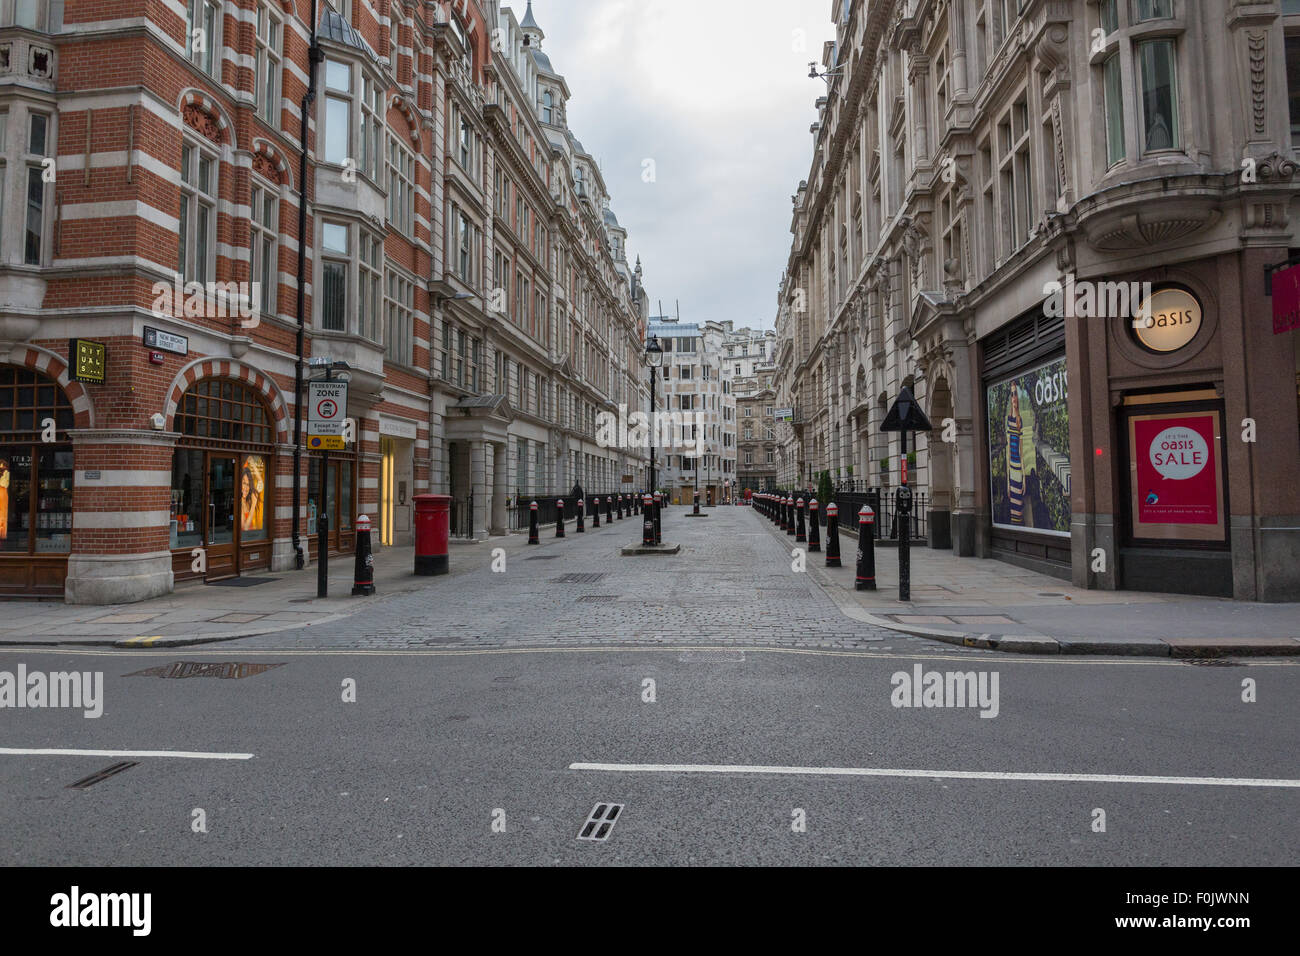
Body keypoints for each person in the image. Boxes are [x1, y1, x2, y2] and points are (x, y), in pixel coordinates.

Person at [1006, 384, 1025, 526]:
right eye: (1012, 394)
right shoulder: (1009, 420)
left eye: (1016, 394)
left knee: (1019, 504)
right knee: (1013, 504)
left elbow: (1021, 451)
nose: (1014, 398)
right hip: (1011, 469)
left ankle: (1019, 527)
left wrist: (1024, 477)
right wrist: (1007, 480)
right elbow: (1008, 451)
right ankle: (1015, 526)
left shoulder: (1019, 421)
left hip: (1018, 469)